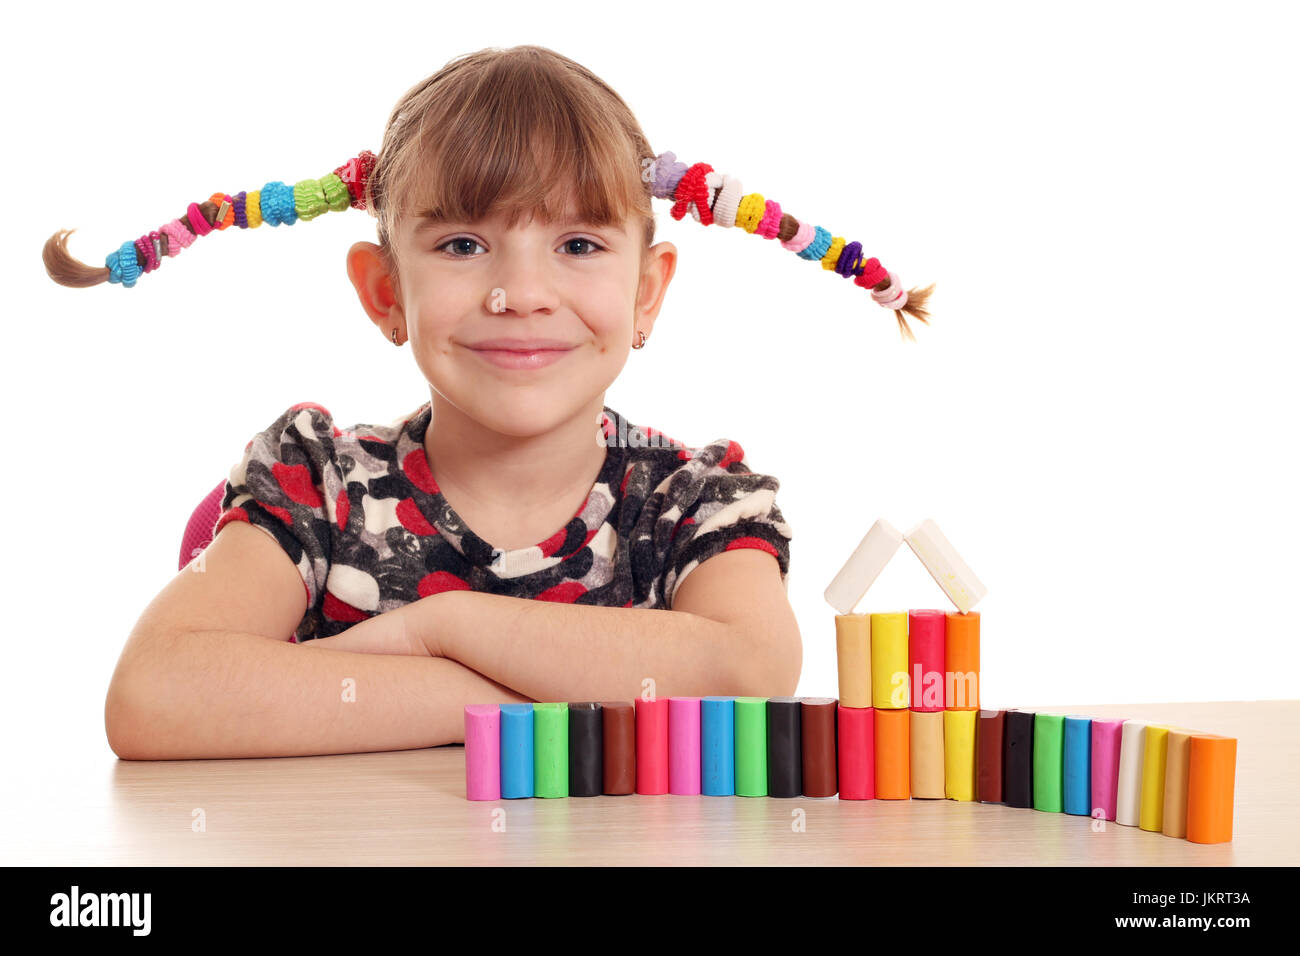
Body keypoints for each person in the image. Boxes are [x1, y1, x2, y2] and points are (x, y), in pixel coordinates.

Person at [43, 45, 932, 760]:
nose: (521, 292)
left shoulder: (692, 501)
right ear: (386, 293)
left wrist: (443, 625)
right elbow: (155, 697)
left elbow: (746, 673)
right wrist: (504, 700)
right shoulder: (319, 483)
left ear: (648, 295)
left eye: (578, 243)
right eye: (464, 244)